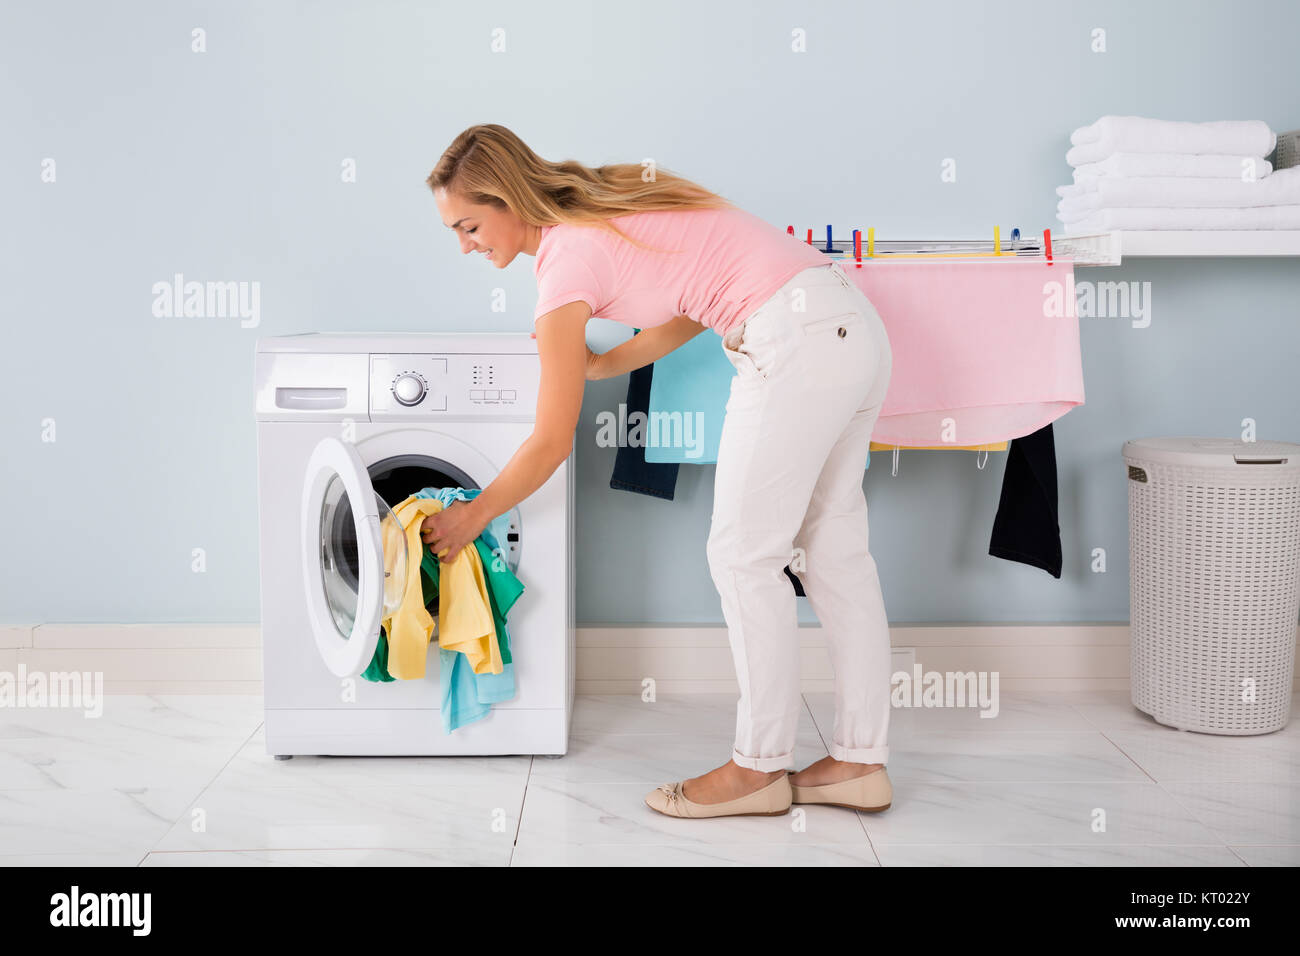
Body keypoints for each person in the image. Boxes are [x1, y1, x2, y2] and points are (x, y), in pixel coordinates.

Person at [422, 123, 894, 819]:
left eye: (468, 225)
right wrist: (601, 364)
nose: (464, 244)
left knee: (742, 557)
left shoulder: (561, 265)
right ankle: (860, 760)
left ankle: (759, 769)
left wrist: (471, 515)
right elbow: (692, 305)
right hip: (849, 325)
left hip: (794, 342)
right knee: (834, 554)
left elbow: (551, 442)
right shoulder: (602, 205)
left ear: (506, 198)